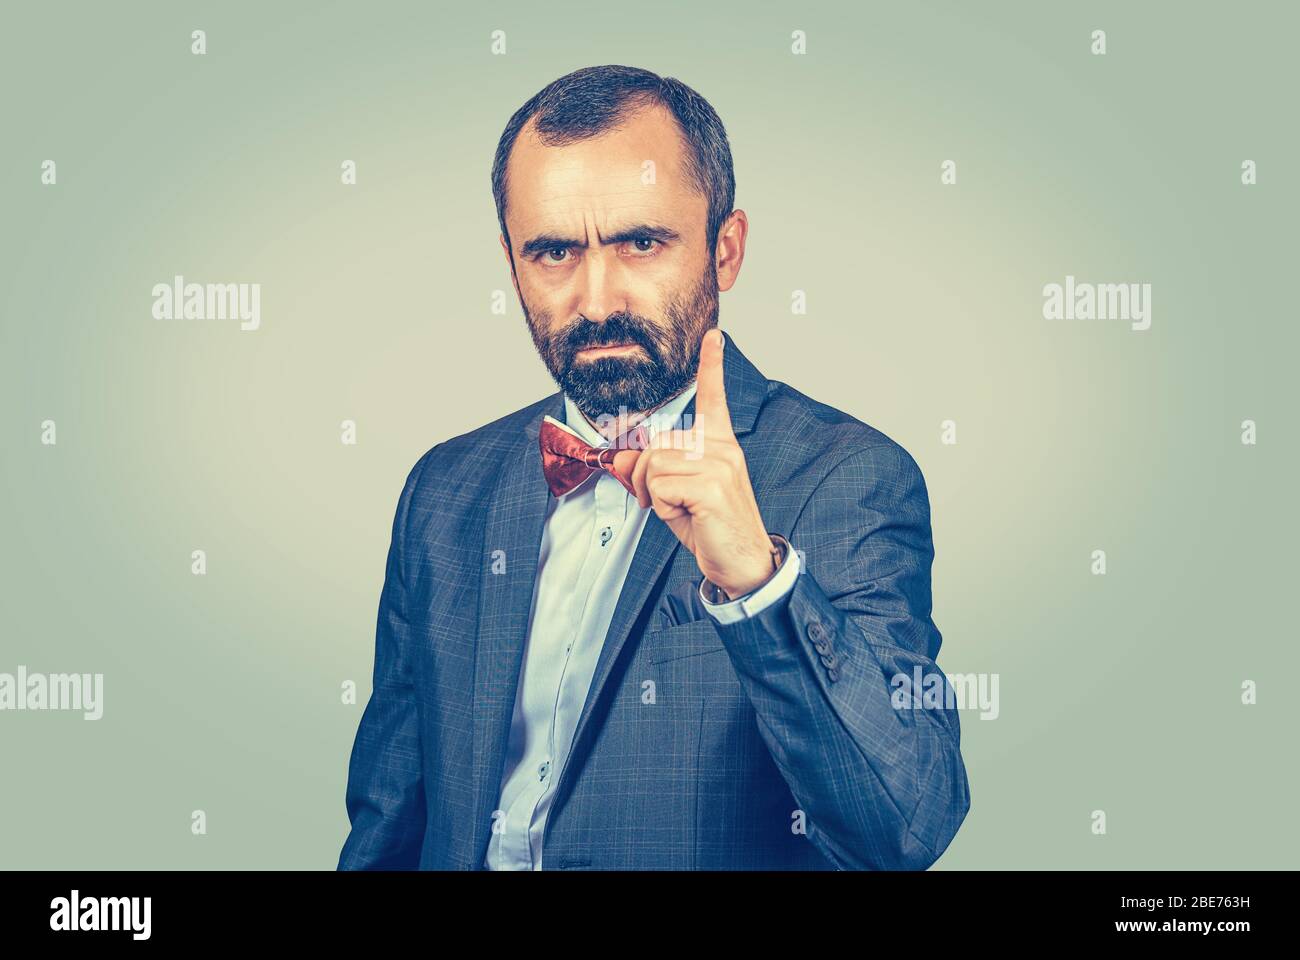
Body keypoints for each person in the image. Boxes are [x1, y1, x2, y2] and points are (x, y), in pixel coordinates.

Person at [338, 64, 970, 871]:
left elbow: (903, 828)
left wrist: (759, 584)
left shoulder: (849, 477)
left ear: (726, 249)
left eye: (641, 242)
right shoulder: (444, 491)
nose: (597, 299)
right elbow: (387, 825)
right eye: (554, 251)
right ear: (511, 264)